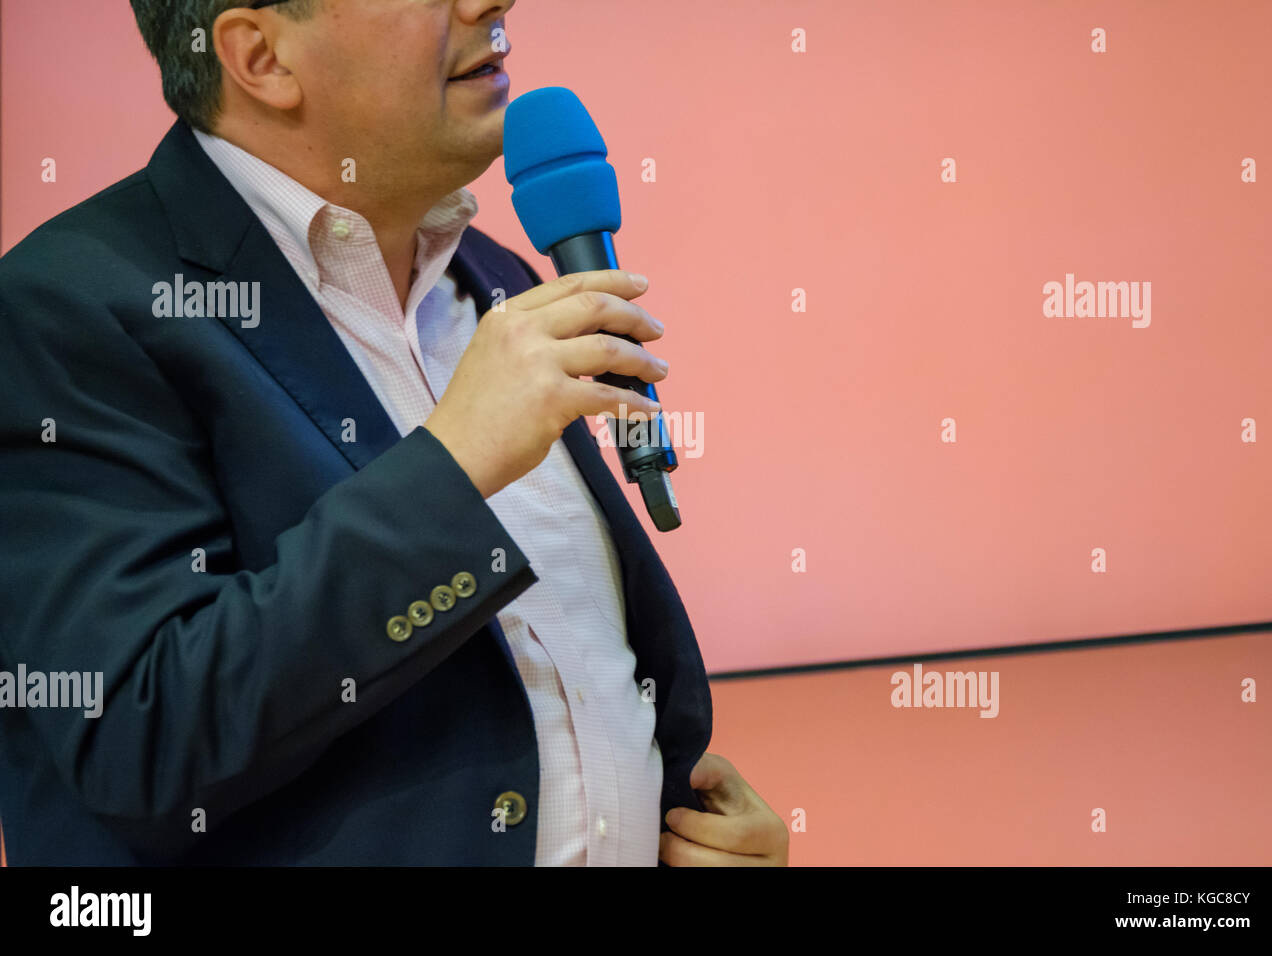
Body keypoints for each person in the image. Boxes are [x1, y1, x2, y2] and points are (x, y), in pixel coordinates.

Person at [0, 0, 787, 866]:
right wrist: (451, 467)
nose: (493, 2)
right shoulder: (66, 307)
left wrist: (667, 822)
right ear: (260, 56)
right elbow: (138, 736)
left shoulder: (497, 276)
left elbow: (547, 693)